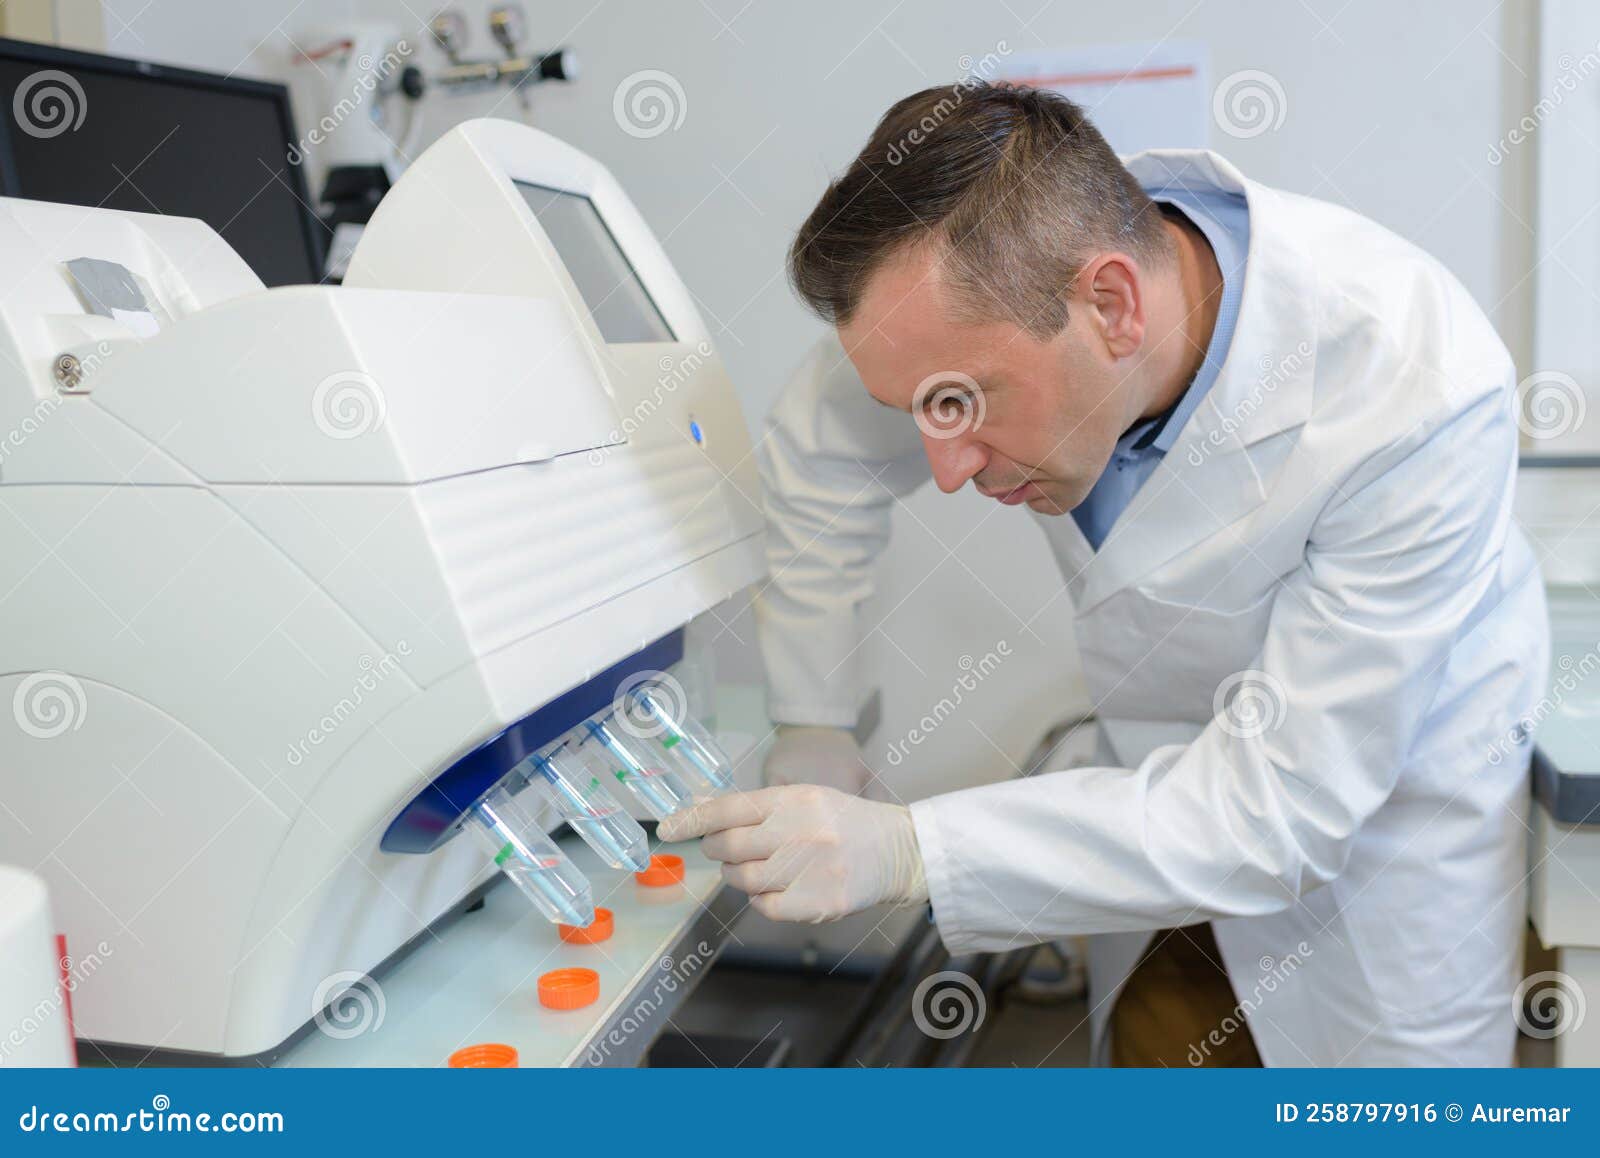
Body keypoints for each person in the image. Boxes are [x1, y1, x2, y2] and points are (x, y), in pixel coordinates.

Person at [656, 83, 1549, 1066]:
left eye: (961, 404)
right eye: (915, 412)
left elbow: (1278, 813)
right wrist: (812, 717)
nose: (944, 471)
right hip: (1145, 810)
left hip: (1378, 842)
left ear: (1112, 305)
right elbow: (819, 457)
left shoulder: (1410, 381)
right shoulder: (948, 314)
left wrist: (910, 848)